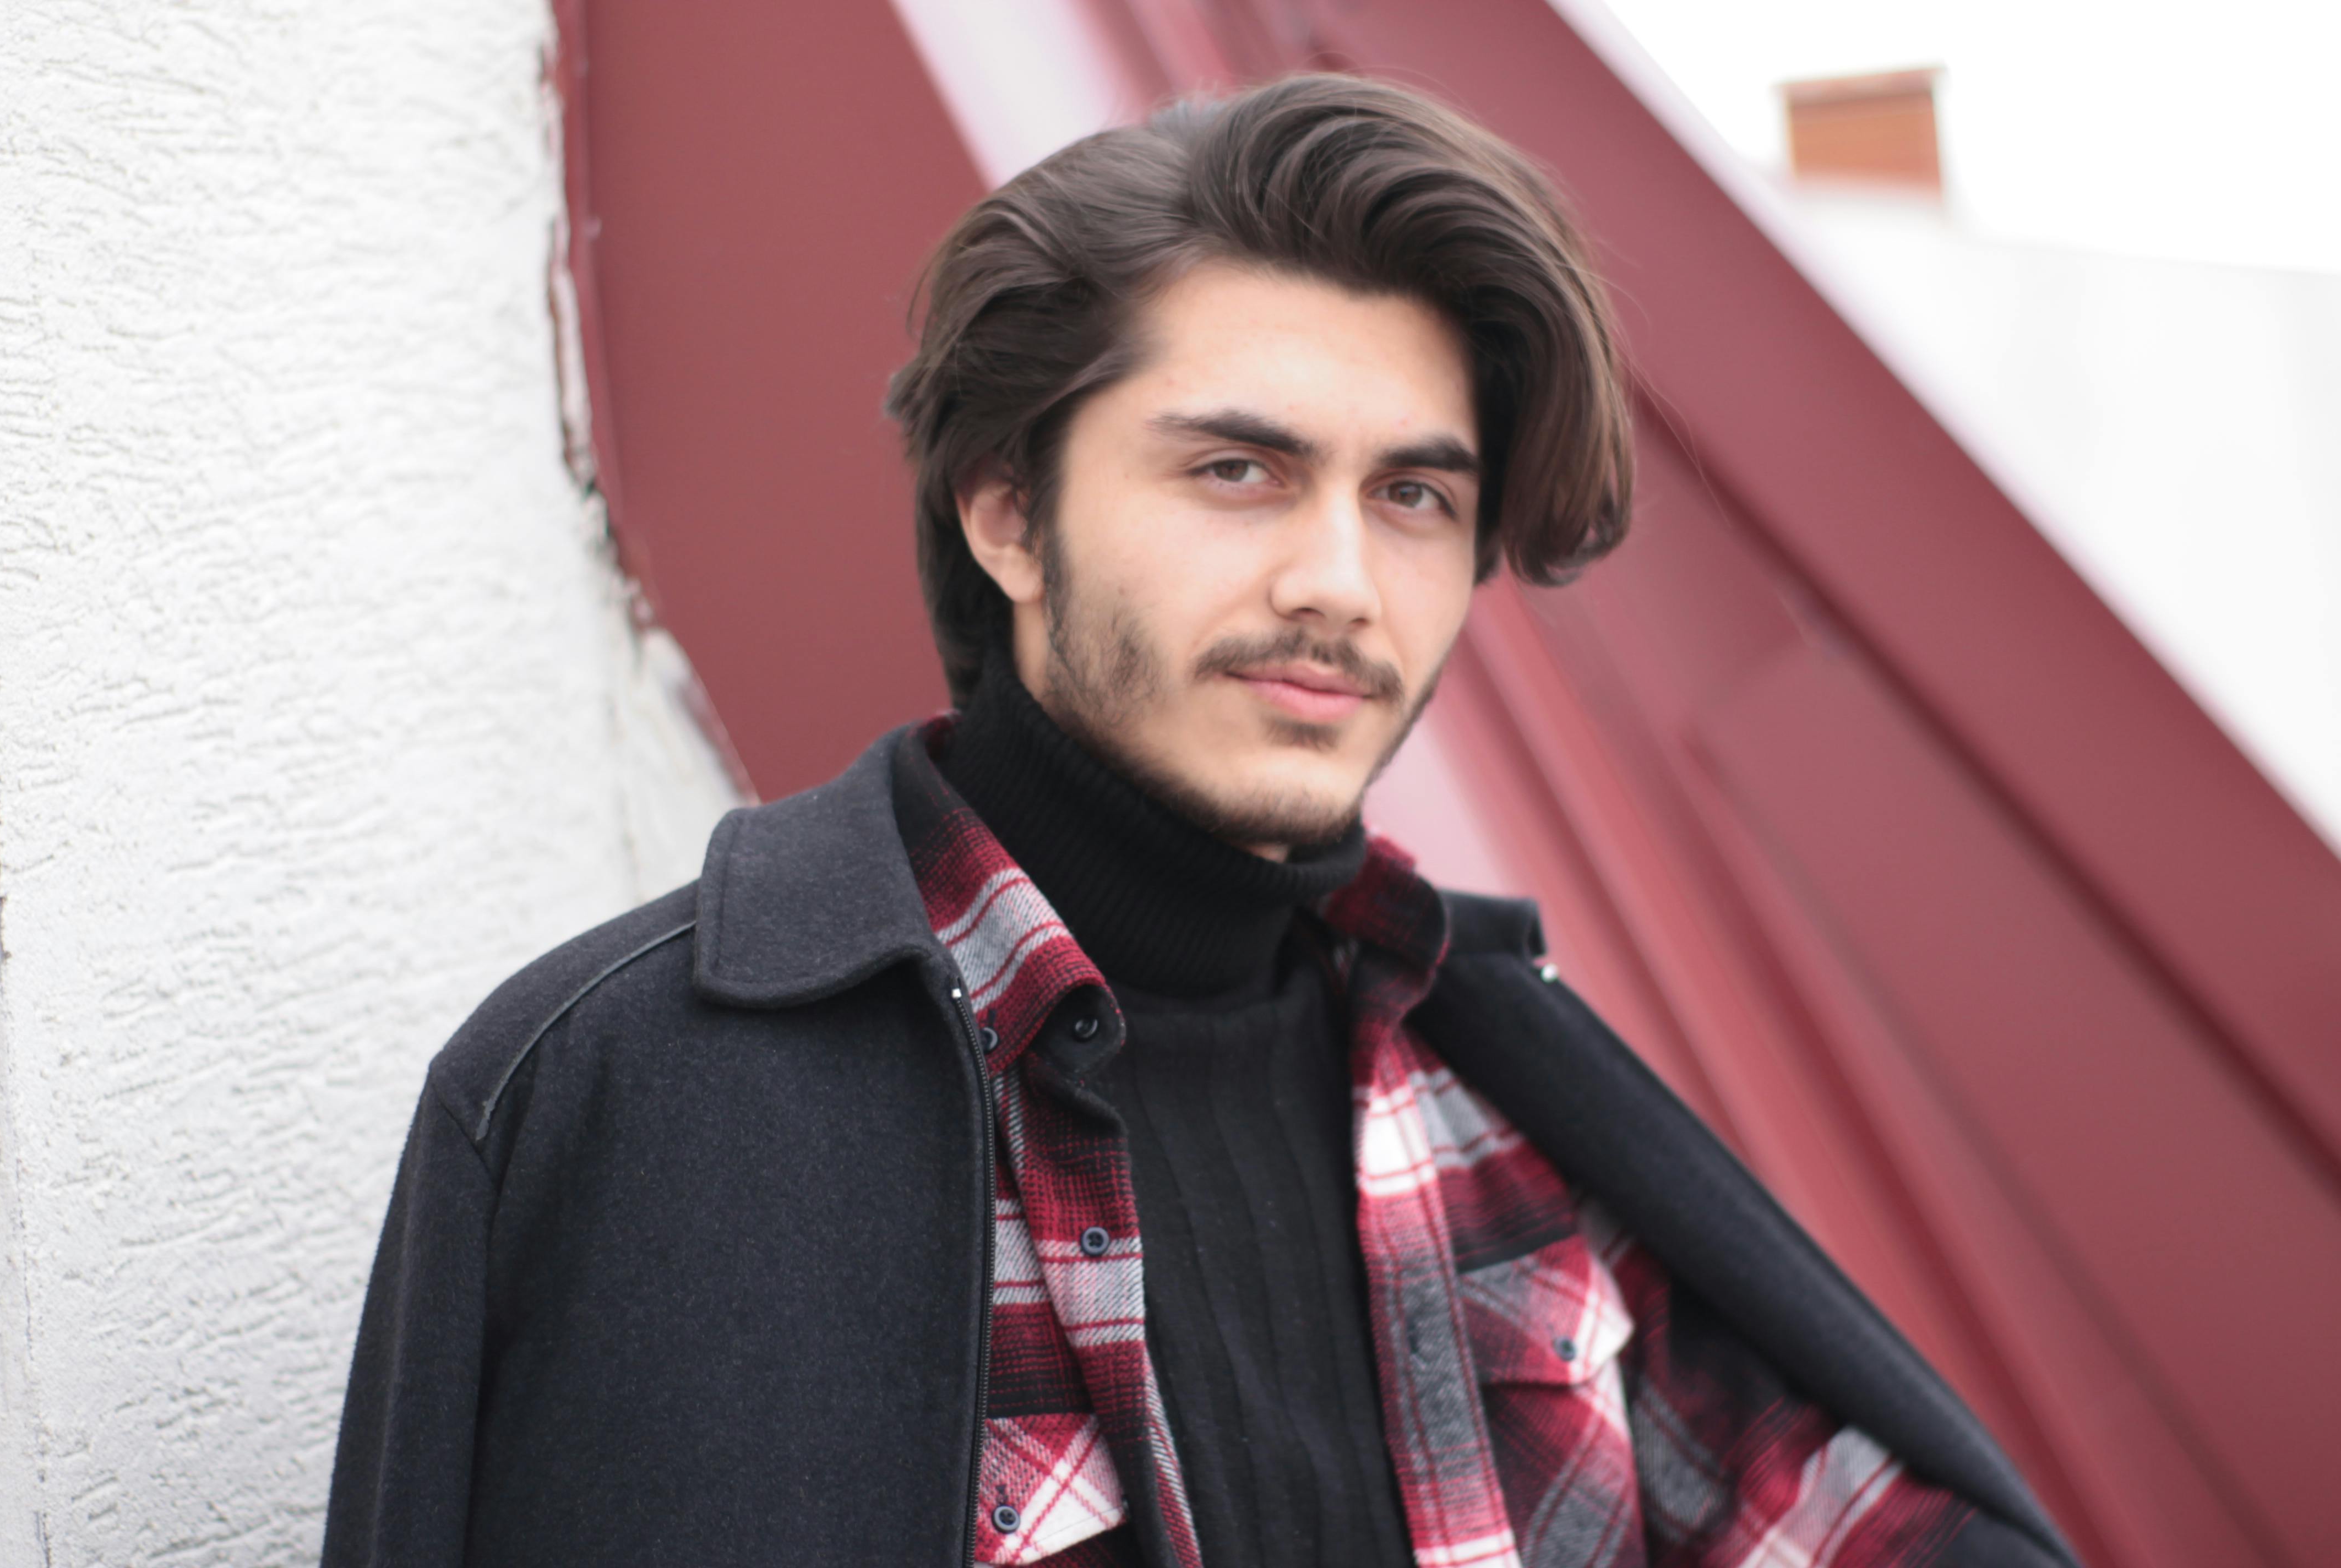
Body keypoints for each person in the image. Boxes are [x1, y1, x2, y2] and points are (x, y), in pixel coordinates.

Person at [322, 74, 2077, 1568]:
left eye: (1412, 496)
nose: (1338, 583)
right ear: (1009, 512)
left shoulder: (1500, 1097)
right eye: (1238, 469)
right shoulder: (622, 1096)